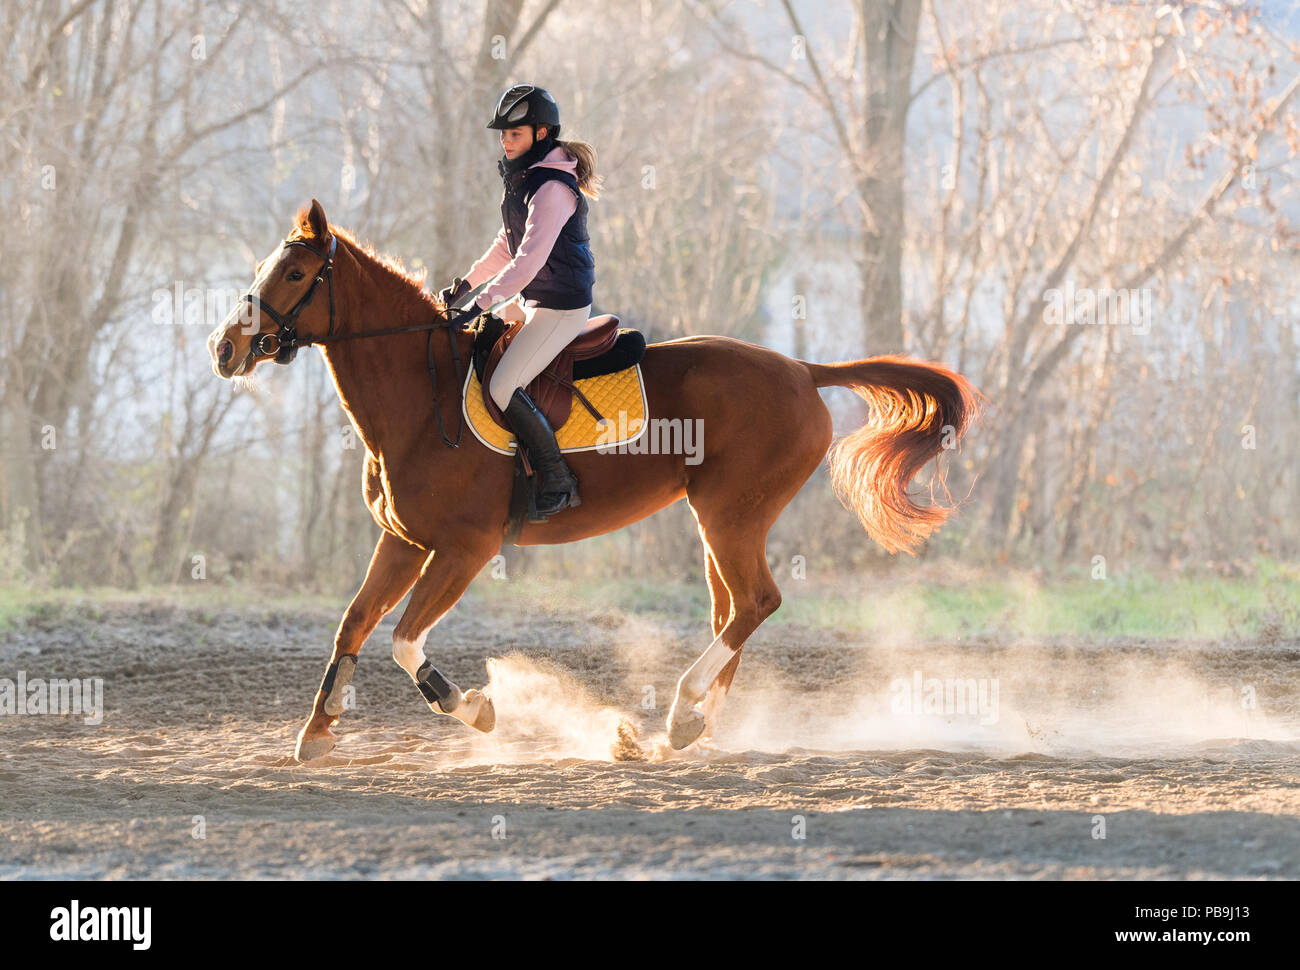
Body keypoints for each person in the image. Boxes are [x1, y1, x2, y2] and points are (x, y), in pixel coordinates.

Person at [439, 84, 602, 516]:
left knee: (501, 385)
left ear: (542, 133)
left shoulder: (551, 189)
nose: (506, 142)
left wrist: (477, 305)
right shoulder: (526, 178)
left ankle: (559, 480)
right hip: (536, 299)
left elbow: (526, 263)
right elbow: (505, 245)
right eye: (503, 135)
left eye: (515, 134)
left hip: (561, 307)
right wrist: (465, 284)